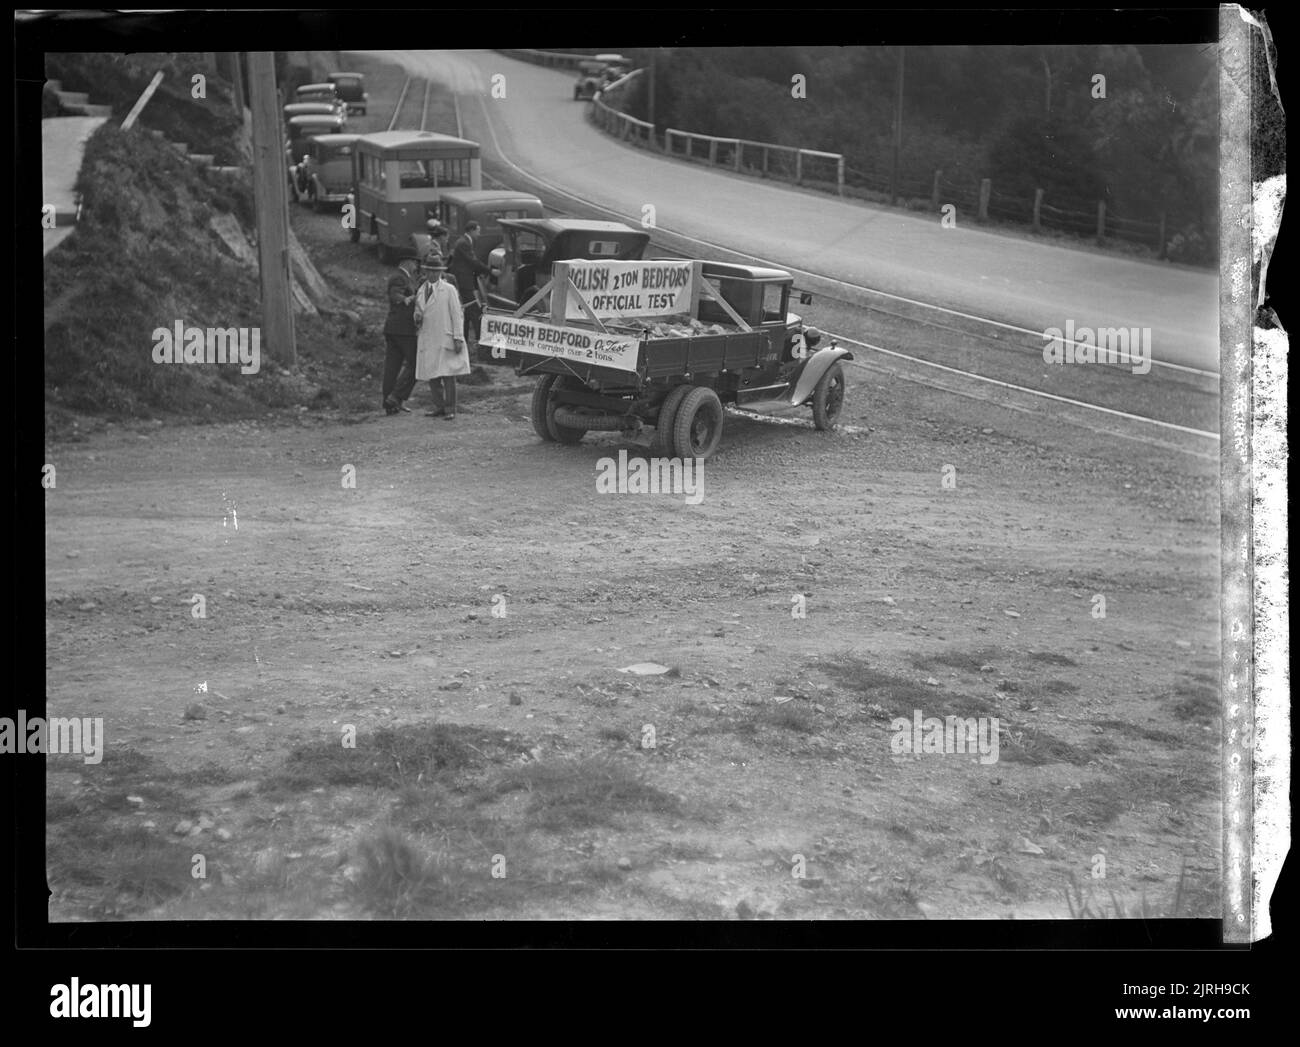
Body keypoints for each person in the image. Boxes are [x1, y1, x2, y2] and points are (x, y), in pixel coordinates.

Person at [413, 255, 468, 419]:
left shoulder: (449, 289)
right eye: (430, 271)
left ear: (440, 272)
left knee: (448, 374)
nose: (432, 274)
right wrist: (417, 318)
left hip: (445, 336)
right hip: (428, 337)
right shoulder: (421, 290)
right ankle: (440, 406)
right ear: (426, 272)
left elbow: (457, 314)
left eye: (436, 271)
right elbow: (418, 312)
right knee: (432, 373)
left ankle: (450, 409)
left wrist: (458, 337)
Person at [381, 257, 421, 414]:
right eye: (414, 263)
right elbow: (394, 294)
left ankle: (390, 403)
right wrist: (406, 299)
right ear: (407, 262)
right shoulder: (399, 277)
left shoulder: (403, 276)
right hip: (403, 330)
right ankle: (396, 397)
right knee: (417, 362)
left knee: (392, 366)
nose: (415, 266)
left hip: (394, 329)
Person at [450, 220, 491, 353]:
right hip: (464, 282)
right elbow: (473, 261)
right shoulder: (464, 243)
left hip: (464, 281)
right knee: (475, 311)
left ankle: (465, 342)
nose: (479, 234)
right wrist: (489, 271)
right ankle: (480, 344)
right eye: (478, 231)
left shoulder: (464, 242)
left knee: (467, 313)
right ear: (472, 230)